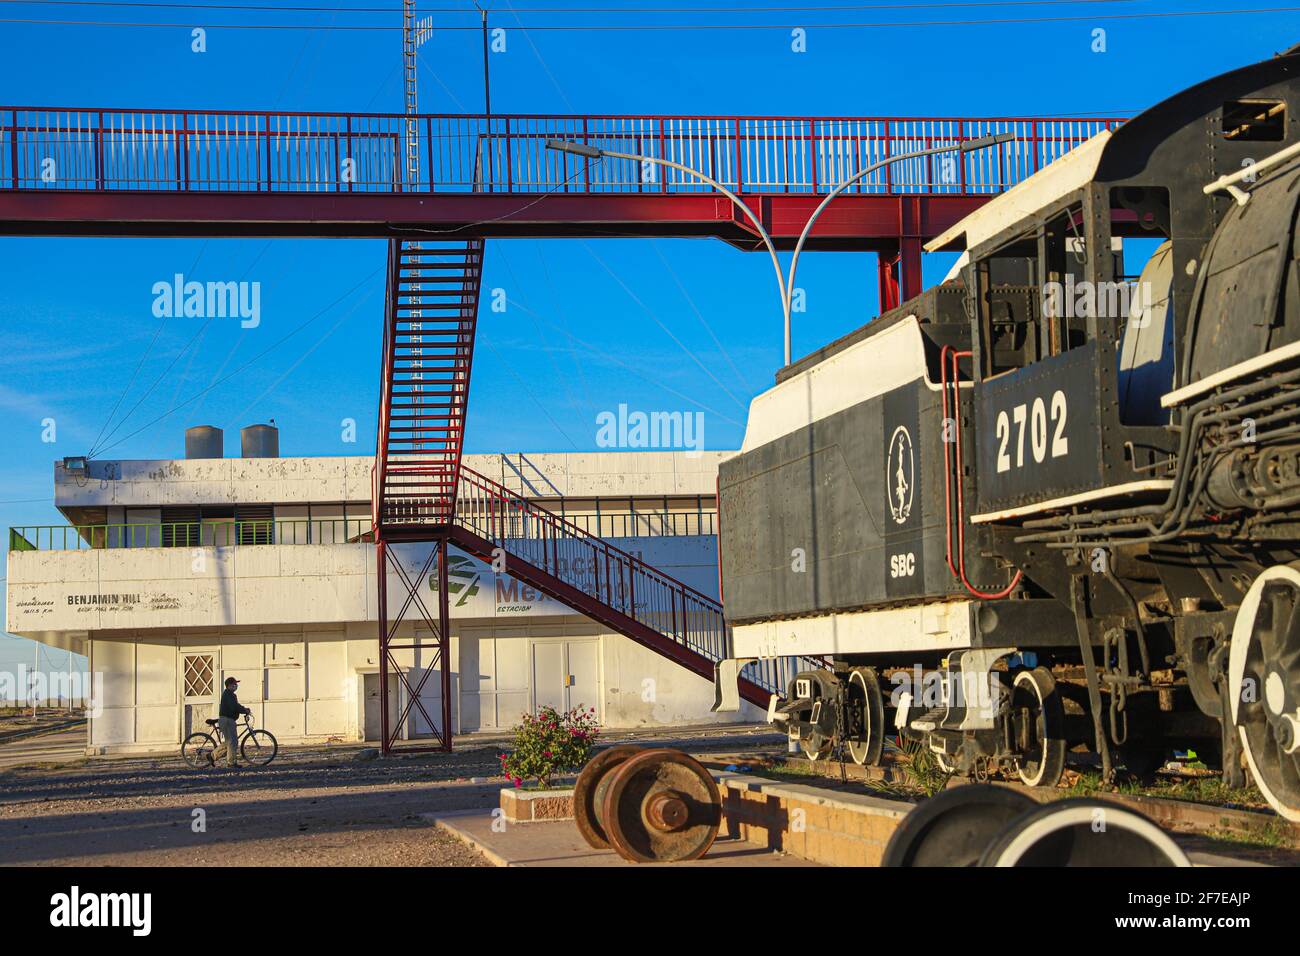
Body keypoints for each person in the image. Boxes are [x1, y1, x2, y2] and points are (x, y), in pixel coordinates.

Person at [215, 676, 251, 768]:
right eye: (234, 684)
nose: (236, 685)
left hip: (229, 720)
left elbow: (236, 705)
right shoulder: (228, 694)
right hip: (227, 720)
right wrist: (244, 710)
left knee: (230, 742)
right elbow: (234, 707)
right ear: (229, 685)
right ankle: (231, 763)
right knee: (232, 741)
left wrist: (243, 709)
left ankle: (212, 756)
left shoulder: (230, 694)